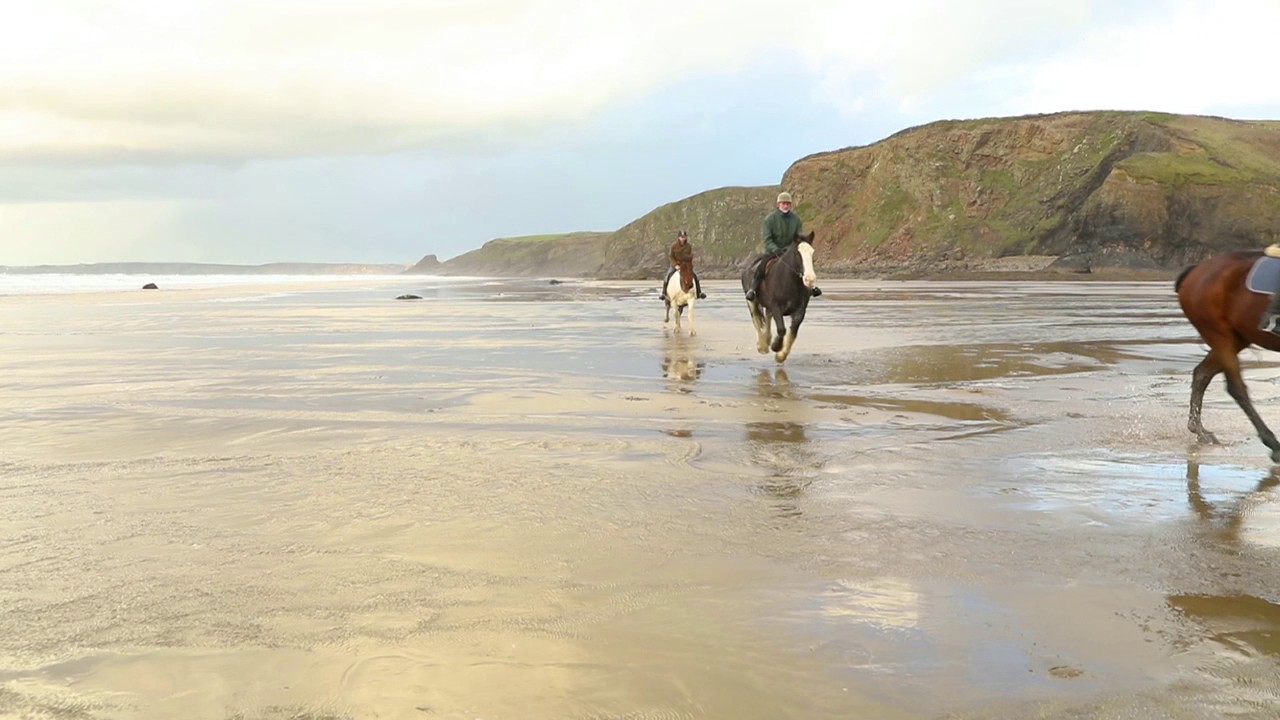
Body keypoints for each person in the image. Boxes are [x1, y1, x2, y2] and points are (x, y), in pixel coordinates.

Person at [745, 191, 821, 301]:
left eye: (788, 204)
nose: (785, 206)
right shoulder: (769, 220)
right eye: (783, 203)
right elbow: (767, 239)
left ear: (790, 205)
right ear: (778, 204)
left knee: (803, 265)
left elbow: (798, 238)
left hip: (790, 251)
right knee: (762, 267)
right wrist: (776, 249)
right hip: (773, 252)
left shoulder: (796, 220)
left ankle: (811, 287)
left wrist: (792, 248)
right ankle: (753, 289)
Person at [660, 229, 706, 300]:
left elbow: (689, 256)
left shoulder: (688, 246)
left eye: (684, 237)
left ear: (686, 237)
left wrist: (688, 261)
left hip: (685, 265)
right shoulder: (674, 246)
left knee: (695, 277)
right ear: (678, 237)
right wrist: (675, 265)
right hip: (675, 265)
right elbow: (670, 256)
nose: (683, 239)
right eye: (681, 237)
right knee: (667, 277)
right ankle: (664, 294)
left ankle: (699, 293)